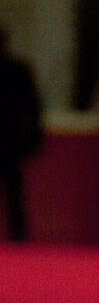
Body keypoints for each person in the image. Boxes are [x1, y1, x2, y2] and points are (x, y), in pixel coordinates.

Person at [0, 25, 43, 242]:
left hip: (10, 141)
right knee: (14, 193)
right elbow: (33, 107)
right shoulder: (18, 70)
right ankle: (19, 238)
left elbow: (33, 107)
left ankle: (19, 238)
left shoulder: (18, 70)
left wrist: (34, 136)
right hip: (11, 141)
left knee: (14, 193)